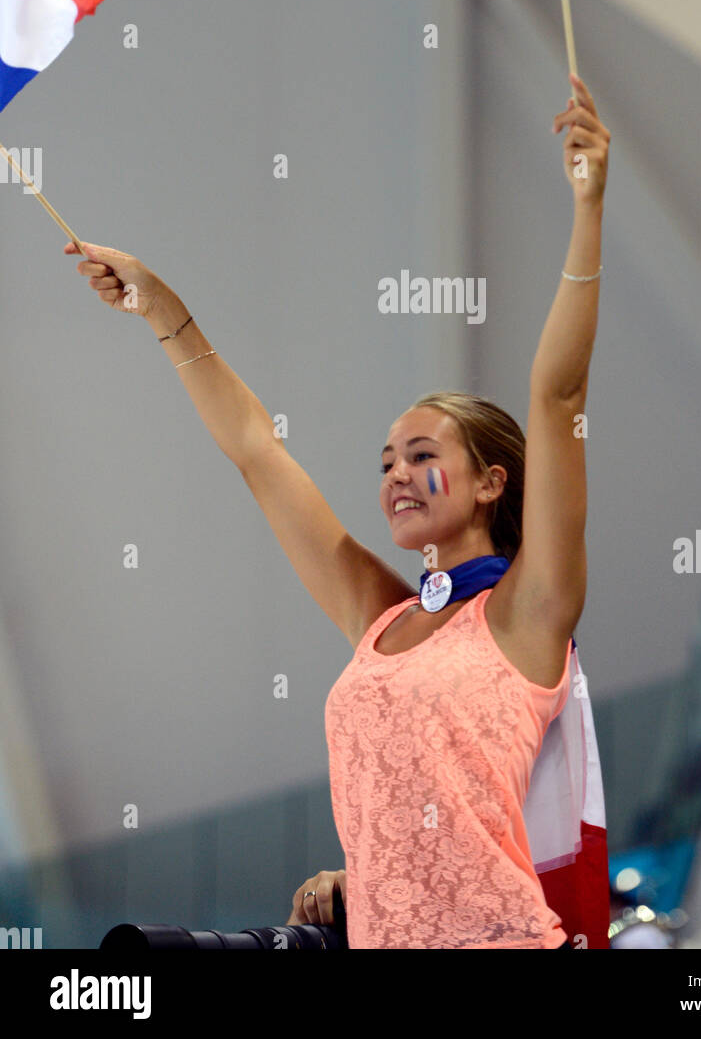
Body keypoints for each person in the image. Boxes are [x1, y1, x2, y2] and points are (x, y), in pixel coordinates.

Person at [64, 71, 610, 949]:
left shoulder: (528, 615)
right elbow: (257, 451)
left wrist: (587, 208)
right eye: (387, 459)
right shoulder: (380, 615)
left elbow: (557, 394)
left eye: (424, 457)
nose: (395, 474)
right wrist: (160, 307)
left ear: (492, 484)